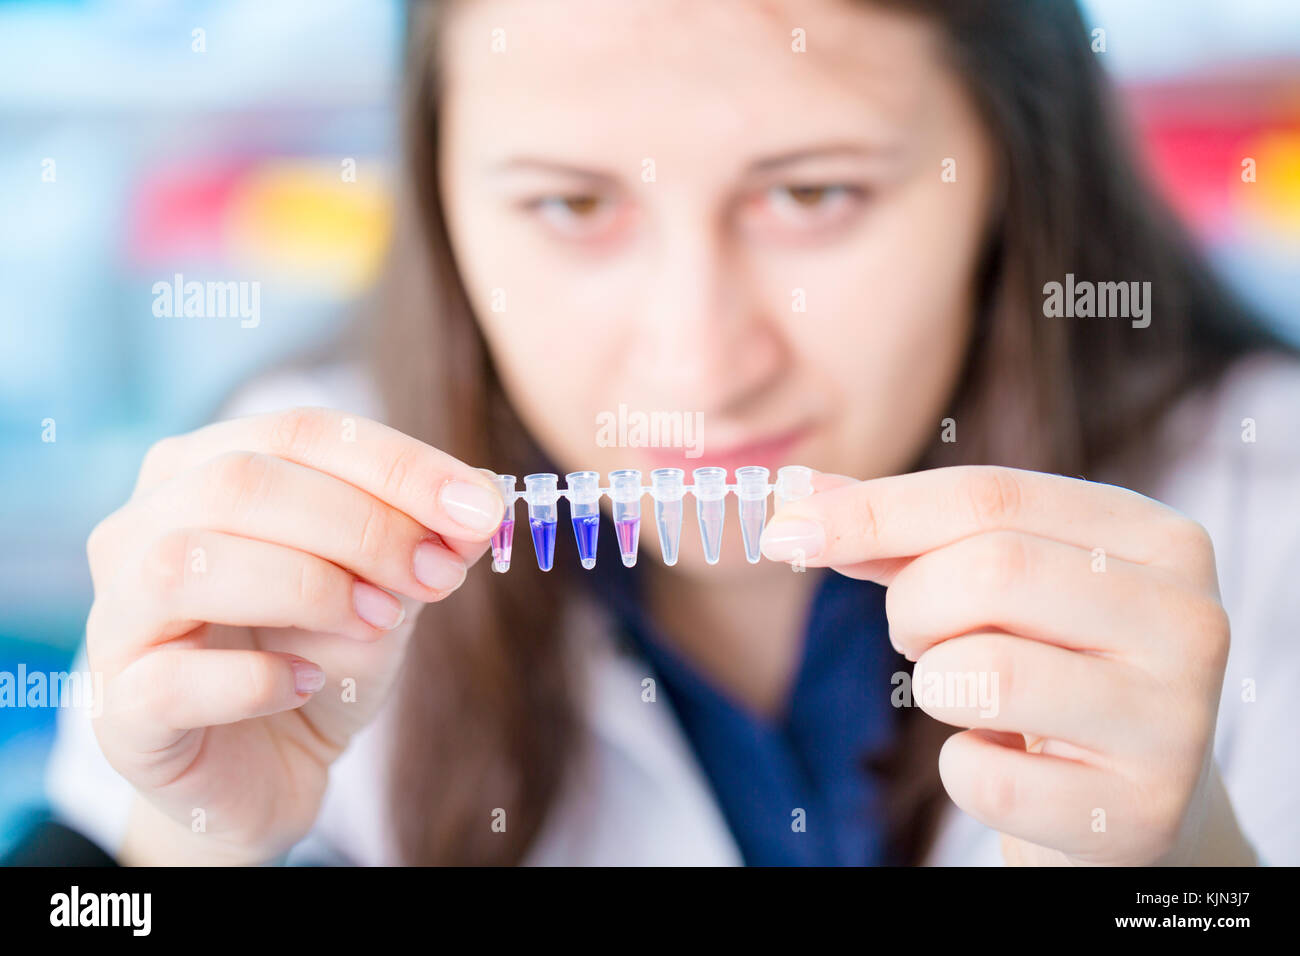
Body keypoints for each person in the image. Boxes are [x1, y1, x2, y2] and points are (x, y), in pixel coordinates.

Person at [36, 0, 1300, 866]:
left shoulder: (1266, 503)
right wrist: (187, 846)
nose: (696, 363)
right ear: (436, 198)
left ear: (1011, 173)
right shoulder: (257, 543)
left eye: (814, 194)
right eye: (571, 203)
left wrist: (1186, 876)